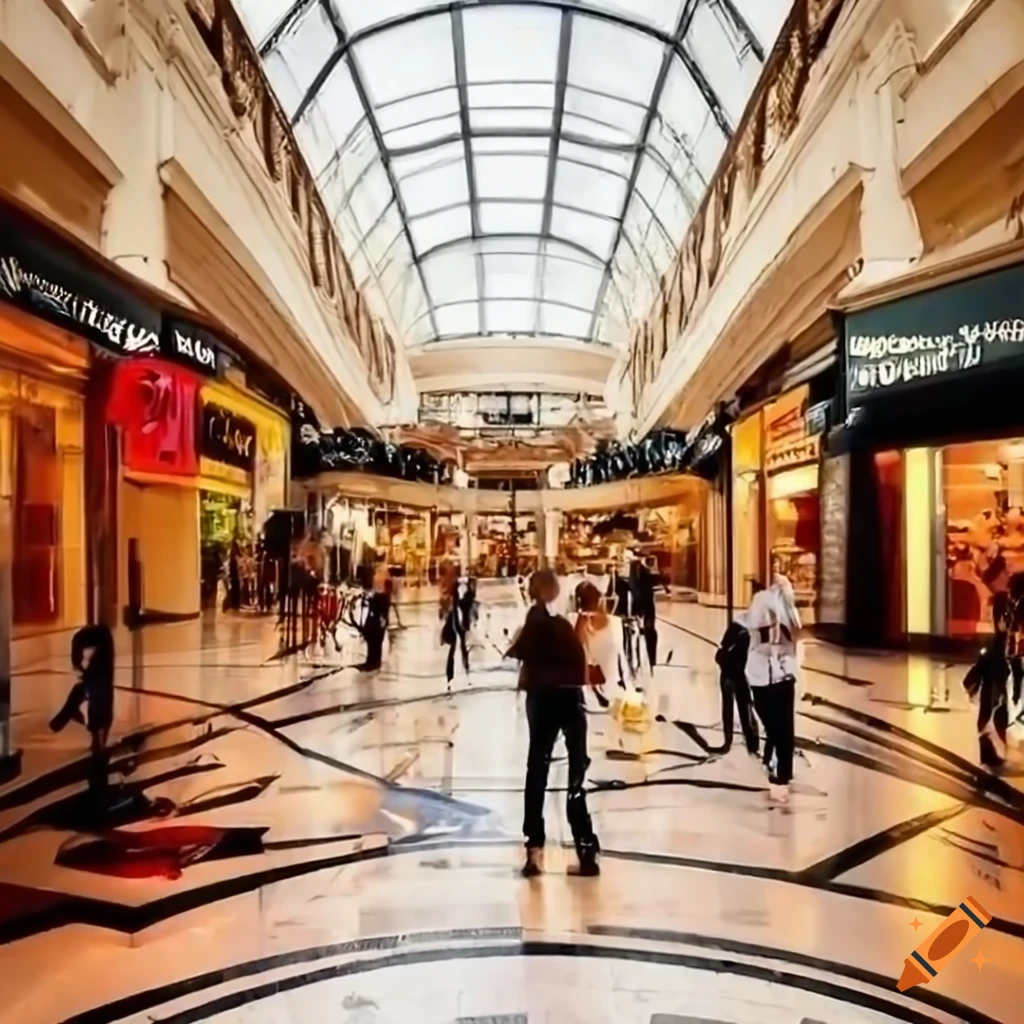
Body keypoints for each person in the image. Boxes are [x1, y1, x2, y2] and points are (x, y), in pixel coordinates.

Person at [507, 569, 600, 878]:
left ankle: (534, 850)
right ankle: (586, 849)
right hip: (571, 702)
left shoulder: (532, 626)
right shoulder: (561, 627)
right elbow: (580, 666)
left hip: (543, 700)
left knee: (537, 771)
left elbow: (519, 655)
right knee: (576, 777)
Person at [744, 574, 801, 803]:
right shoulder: (781, 610)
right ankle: (780, 772)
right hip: (778, 677)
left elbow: (760, 637)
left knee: (779, 729)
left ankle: (780, 776)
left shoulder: (772, 607)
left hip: (774, 678)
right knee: (782, 728)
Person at [50, 623, 116, 793]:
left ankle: (69, 713)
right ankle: (98, 757)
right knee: (98, 698)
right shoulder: (99, 649)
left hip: (98, 667)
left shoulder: (97, 651)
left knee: (95, 694)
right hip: (99, 668)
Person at [715, 587, 760, 756]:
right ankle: (751, 746)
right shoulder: (751, 627)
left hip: (733, 673)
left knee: (736, 708)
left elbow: (721, 650)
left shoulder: (740, 624)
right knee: (744, 708)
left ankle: (730, 743)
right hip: (737, 674)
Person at [574, 581, 618, 702]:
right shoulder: (610, 620)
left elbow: (578, 647)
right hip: (611, 675)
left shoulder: (583, 621)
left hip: (593, 677)